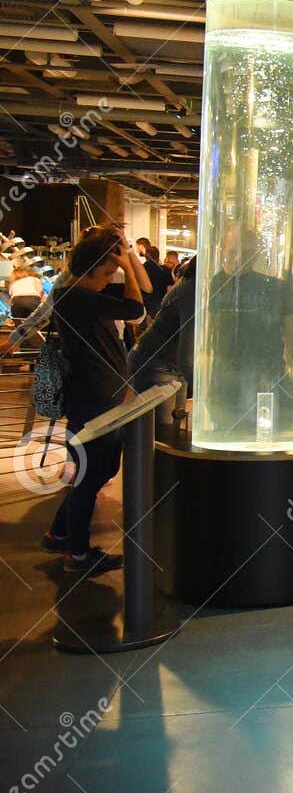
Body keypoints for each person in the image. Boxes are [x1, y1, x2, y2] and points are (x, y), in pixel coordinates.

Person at [39, 225, 150, 575]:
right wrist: (128, 266)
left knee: (96, 470)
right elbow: (135, 308)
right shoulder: (76, 297)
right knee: (92, 474)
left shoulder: (80, 294)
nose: (108, 280)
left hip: (98, 398)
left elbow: (144, 291)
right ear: (88, 271)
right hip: (93, 401)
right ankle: (78, 555)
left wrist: (125, 256)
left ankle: (59, 533)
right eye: (106, 273)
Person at [130, 256, 196, 431]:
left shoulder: (190, 284)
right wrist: (207, 394)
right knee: (160, 436)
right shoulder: (192, 291)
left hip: (167, 363)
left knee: (171, 431)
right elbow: (186, 355)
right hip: (156, 362)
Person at [140, 240, 173, 313]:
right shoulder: (165, 270)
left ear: (146, 256)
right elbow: (169, 289)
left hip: (144, 306)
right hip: (160, 305)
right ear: (158, 256)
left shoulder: (141, 269)